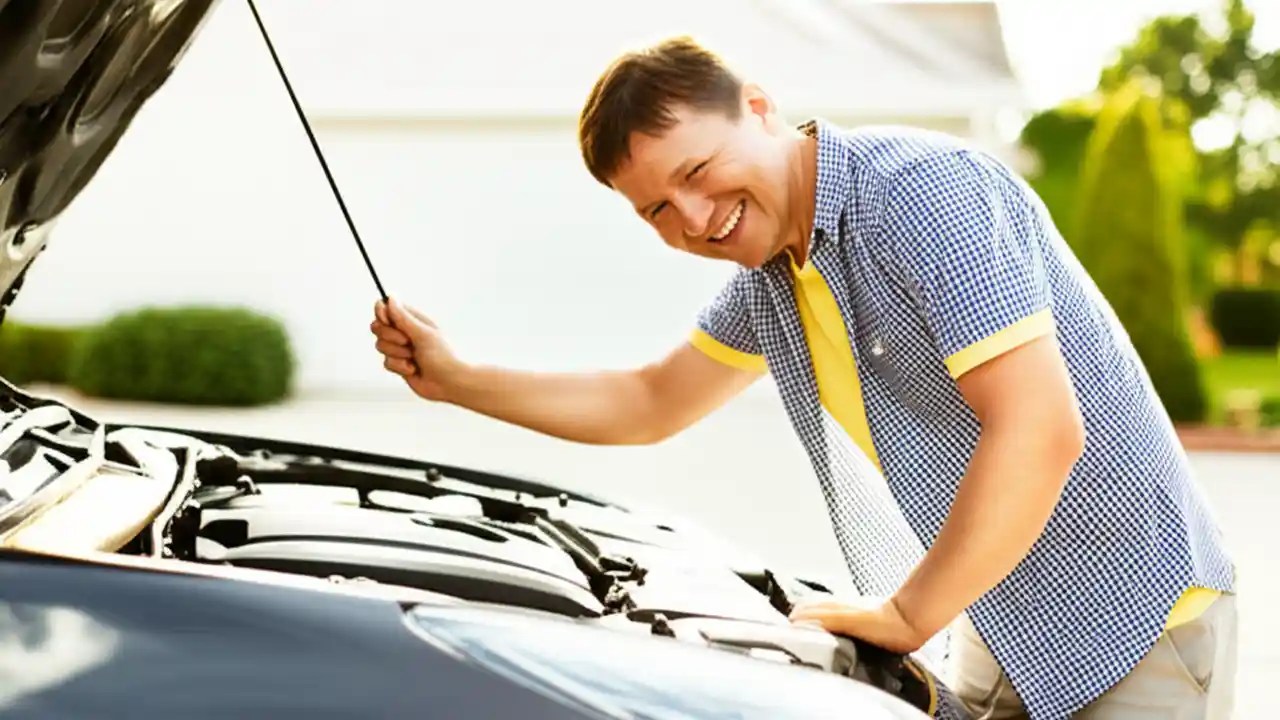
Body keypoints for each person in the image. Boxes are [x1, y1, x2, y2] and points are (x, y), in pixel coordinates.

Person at [370, 36, 1237, 719]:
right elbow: (648, 401)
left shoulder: (920, 194)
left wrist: (906, 616)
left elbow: (1039, 427)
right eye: (657, 211)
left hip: (1134, 617)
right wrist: (459, 379)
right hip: (1001, 613)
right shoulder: (774, 280)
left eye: (697, 172)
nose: (695, 220)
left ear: (759, 107)